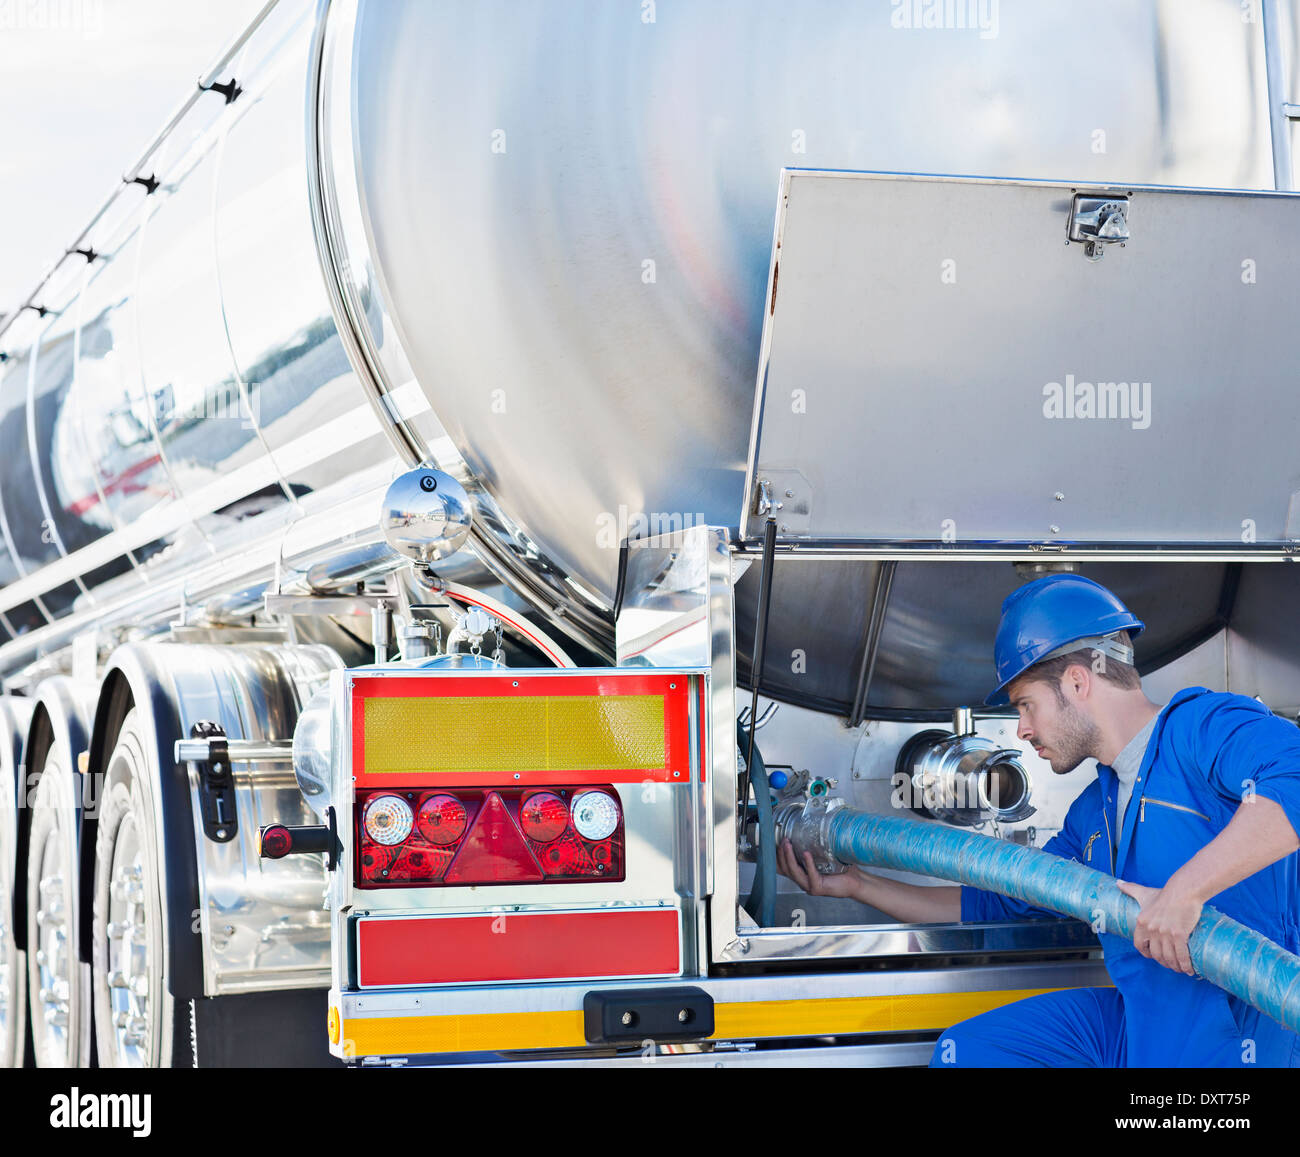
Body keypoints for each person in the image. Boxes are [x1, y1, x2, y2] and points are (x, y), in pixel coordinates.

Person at [778, 574, 1300, 1067]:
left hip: (1239, 1033)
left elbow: (1294, 778)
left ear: (1077, 682)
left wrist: (1184, 892)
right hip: (1142, 1027)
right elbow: (998, 900)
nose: (1022, 729)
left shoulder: (1200, 729)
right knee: (973, 1052)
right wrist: (858, 885)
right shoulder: (1092, 813)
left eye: (1026, 705)